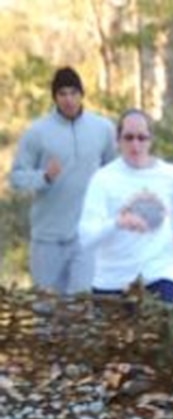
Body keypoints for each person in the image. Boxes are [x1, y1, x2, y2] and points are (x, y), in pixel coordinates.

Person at [8, 67, 117, 295]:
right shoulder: (38, 132)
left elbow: (114, 172)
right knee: (46, 311)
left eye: (74, 93)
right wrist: (44, 177)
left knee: (81, 309)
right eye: (63, 94)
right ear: (55, 97)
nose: (69, 99)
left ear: (82, 94)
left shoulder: (103, 129)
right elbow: (16, 177)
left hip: (86, 237)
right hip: (47, 238)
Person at [78, 109, 173, 304]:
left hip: (159, 276)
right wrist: (117, 223)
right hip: (113, 282)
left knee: (164, 333)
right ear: (118, 141)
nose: (135, 145)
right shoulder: (103, 179)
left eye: (142, 138)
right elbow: (86, 237)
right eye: (129, 138)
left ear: (151, 140)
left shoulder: (171, 175)